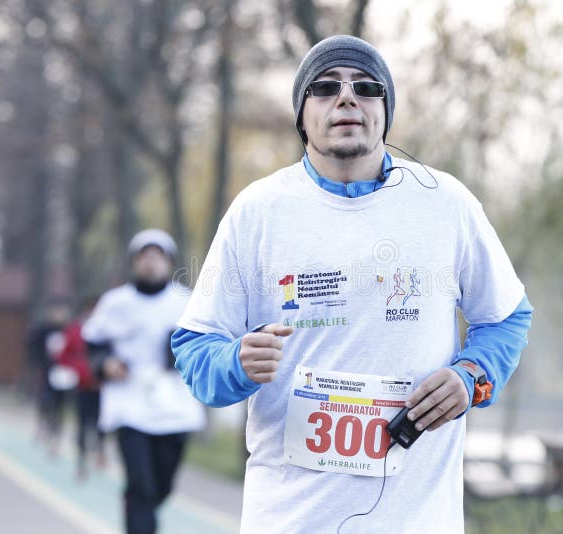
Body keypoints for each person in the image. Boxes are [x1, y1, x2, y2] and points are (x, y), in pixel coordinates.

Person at [172, 35, 533, 533]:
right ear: (302, 115)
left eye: (366, 88)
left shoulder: (446, 204)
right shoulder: (257, 212)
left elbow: (508, 316)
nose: (347, 98)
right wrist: (234, 361)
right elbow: (194, 348)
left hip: (416, 519)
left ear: (386, 113)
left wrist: (471, 375)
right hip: (291, 518)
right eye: (325, 88)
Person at [82, 229, 206, 534]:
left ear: (169, 262)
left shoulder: (187, 301)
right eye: (144, 257)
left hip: (174, 404)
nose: (150, 263)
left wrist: (179, 355)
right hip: (129, 403)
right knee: (140, 485)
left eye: (157, 257)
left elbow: (206, 345)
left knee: (161, 486)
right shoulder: (115, 302)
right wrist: (106, 364)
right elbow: (93, 343)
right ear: (134, 262)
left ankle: (141, 514)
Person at [56, 296, 106, 480]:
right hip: (83, 386)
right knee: (83, 425)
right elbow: (63, 356)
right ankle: (81, 462)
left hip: (103, 387)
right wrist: (78, 369)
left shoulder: (108, 330)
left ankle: (101, 453)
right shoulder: (75, 331)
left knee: (102, 424)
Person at [27, 302, 71, 454]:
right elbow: (34, 348)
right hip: (46, 371)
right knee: (45, 400)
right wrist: (38, 365)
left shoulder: (68, 331)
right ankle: (43, 425)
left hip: (64, 373)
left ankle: (56, 434)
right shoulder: (43, 330)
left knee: (60, 404)